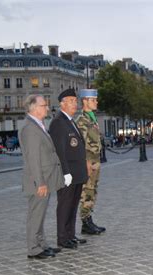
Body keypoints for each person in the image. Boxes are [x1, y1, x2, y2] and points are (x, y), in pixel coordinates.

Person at [18, 95, 64, 259]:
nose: (46, 107)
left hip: (45, 178)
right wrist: (40, 182)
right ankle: (34, 249)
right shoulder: (30, 129)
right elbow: (33, 159)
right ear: (34, 108)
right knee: (35, 214)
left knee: (40, 214)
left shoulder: (38, 125)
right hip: (38, 180)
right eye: (44, 105)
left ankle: (42, 244)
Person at [49, 88, 88, 249]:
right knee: (65, 204)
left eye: (75, 100)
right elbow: (60, 150)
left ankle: (70, 234)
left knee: (72, 204)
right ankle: (62, 237)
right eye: (71, 101)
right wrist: (65, 172)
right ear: (62, 104)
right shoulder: (58, 122)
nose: (75, 104)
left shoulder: (70, 121)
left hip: (77, 171)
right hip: (68, 172)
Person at [76, 89, 106, 235]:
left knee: (93, 190)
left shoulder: (91, 118)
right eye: (93, 100)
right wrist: (86, 162)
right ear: (85, 101)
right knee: (87, 191)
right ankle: (85, 222)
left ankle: (89, 219)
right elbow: (80, 144)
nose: (96, 102)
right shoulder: (82, 121)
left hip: (95, 160)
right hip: (89, 161)